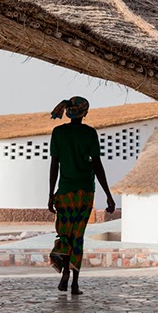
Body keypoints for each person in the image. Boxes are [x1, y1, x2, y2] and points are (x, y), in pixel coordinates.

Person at [46, 96, 116, 295]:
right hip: (85, 193)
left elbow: (54, 165)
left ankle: (64, 275)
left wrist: (51, 194)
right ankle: (75, 282)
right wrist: (109, 195)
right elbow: (97, 165)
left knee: (65, 234)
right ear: (84, 113)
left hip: (65, 193)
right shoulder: (89, 133)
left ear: (68, 111)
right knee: (78, 236)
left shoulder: (58, 132)